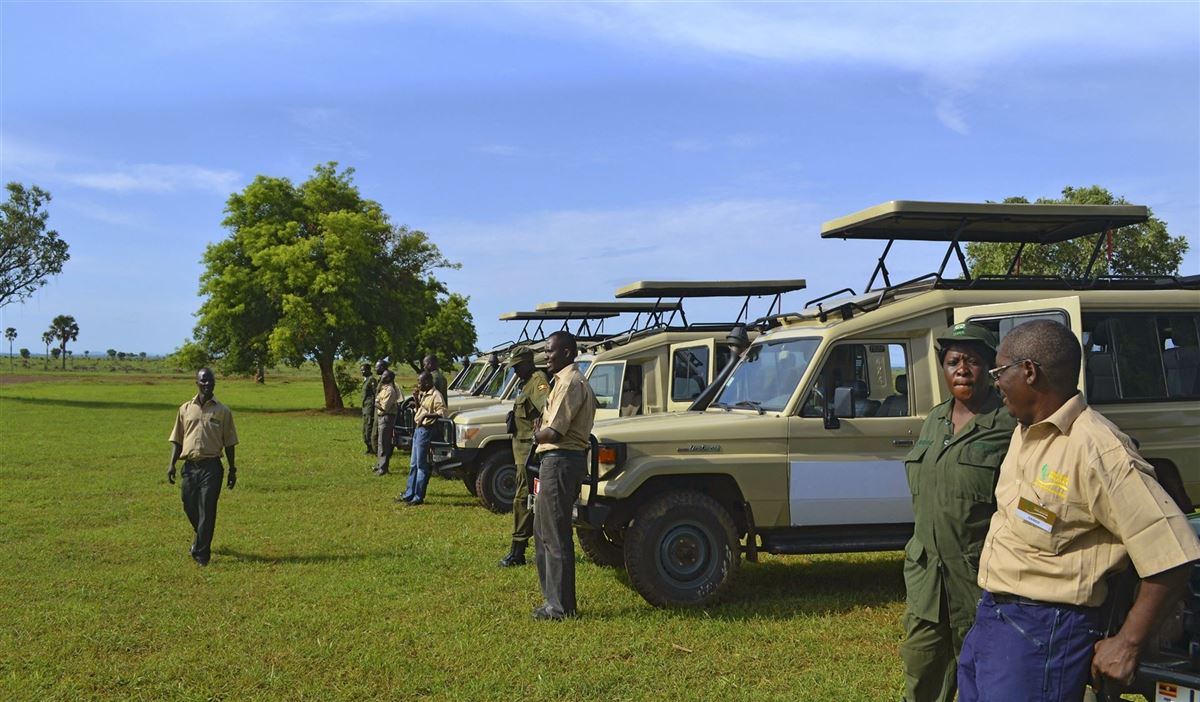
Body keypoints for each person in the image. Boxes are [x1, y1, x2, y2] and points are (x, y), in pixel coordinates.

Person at [957, 319, 1200, 701]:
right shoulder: (1026, 432)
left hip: (1046, 631)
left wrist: (1128, 643)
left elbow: (1174, 552)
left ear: (1029, 372)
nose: (994, 383)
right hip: (995, 619)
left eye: (999, 372)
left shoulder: (1098, 450)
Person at [900, 323, 1017, 702]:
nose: (962, 369)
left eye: (973, 361)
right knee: (921, 675)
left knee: (984, 679)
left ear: (990, 370)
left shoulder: (1009, 424)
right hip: (927, 581)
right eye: (953, 361)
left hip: (978, 583)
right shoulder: (934, 420)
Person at [531, 331, 596, 620]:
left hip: (560, 460)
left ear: (568, 353)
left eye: (551, 351)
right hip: (556, 460)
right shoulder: (564, 381)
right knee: (545, 530)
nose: (546, 355)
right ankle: (553, 601)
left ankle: (560, 607)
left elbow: (553, 431)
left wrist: (536, 434)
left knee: (555, 533)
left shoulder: (570, 382)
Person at [167, 368, 239, 567]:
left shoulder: (222, 411)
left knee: (207, 510)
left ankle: (202, 555)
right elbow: (177, 439)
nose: (208, 384)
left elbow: (230, 442)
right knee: (189, 505)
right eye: (204, 381)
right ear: (196, 383)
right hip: (190, 467)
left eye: (211, 381)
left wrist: (233, 469)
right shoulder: (185, 409)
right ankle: (201, 537)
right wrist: (171, 465)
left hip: (212, 467)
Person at [498, 346, 551, 567]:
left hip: (529, 452)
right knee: (523, 497)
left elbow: (548, 409)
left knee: (523, 498)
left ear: (528, 363)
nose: (515, 371)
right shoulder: (525, 382)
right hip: (521, 450)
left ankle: (517, 551)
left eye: (518, 366)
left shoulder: (537, 380)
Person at [397, 371, 446, 505]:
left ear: (428, 382)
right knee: (413, 464)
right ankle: (409, 493)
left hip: (426, 431)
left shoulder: (436, 395)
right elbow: (420, 410)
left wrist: (426, 417)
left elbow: (441, 412)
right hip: (418, 430)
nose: (418, 384)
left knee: (421, 465)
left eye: (420, 382)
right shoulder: (424, 394)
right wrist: (417, 400)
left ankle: (418, 496)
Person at [373, 369, 399, 476]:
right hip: (382, 418)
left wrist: (376, 403)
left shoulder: (390, 391)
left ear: (388, 378)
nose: (382, 377)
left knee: (384, 443)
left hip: (386, 417)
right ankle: (380, 465)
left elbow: (385, 407)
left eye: (384, 375)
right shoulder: (383, 389)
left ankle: (383, 468)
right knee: (380, 443)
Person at [360, 363, 378, 455]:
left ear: (369, 370)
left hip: (370, 408)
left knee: (369, 428)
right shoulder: (366, 380)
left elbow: (376, 394)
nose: (362, 372)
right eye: (361, 370)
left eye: (363, 370)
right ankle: (368, 447)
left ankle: (372, 448)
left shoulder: (372, 380)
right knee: (365, 428)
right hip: (365, 408)